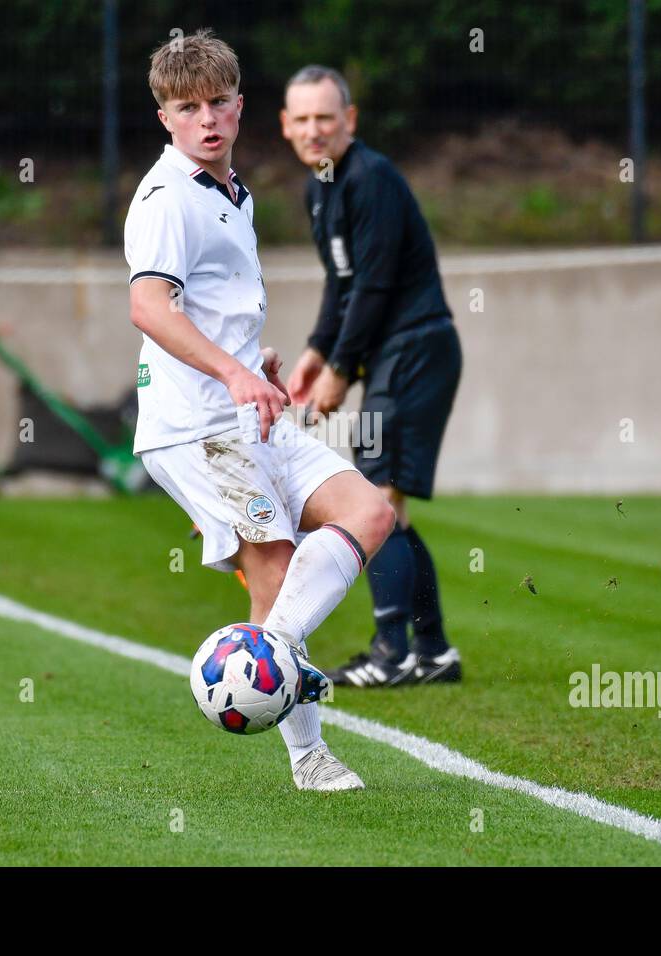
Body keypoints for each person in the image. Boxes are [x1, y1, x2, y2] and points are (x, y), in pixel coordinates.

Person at [125, 31, 395, 791]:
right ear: (166, 119)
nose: (206, 118)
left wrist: (255, 365)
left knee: (369, 513)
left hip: (248, 409)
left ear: (241, 107)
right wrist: (234, 372)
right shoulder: (165, 198)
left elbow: (209, 309)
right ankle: (308, 756)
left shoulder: (230, 191)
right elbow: (148, 306)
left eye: (217, 102)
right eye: (187, 107)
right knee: (273, 564)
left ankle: (269, 657)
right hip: (194, 427)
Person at [280, 65, 463, 688]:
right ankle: (431, 651)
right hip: (391, 352)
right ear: (284, 126)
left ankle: (393, 655)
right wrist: (316, 350)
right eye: (301, 119)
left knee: (376, 500)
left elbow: (378, 285)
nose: (314, 130)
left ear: (349, 121)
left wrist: (339, 370)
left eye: (325, 117)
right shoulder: (319, 189)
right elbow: (343, 284)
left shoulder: (370, 178)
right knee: (389, 508)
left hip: (414, 348)